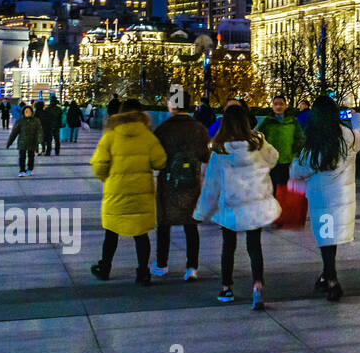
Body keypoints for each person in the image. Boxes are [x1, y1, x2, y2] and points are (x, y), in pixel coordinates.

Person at [193, 103, 280, 310]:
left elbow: (211, 186)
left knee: (228, 247)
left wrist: (200, 212)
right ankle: (257, 286)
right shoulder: (258, 143)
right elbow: (274, 158)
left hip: (230, 206)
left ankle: (226, 288)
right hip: (255, 204)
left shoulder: (220, 150)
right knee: (254, 246)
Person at [290, 96, 360, 302]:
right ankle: (326, 276)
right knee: (331, 240)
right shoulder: (349, 137)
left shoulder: (314, 142)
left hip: (322, 199)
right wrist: (354, 115)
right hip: (343, 196)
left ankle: (332, 280)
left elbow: (301, 169)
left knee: (326, 240)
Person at [89, 98, 166, 284]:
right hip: (141, 193)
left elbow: (98, 166)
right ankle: (143, 272)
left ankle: (105, 267)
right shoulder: (148, 137)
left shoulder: (110, 136)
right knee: (141, 235)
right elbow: (160, 161)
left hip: (116, 193)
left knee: (111, 232)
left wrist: (108, 179)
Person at [151, 88, 212, 281]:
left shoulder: (163, 128)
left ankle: (162, 264)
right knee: (190, 225)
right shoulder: (199, 129)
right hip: (190, 182)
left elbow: (156, 157)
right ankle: (191, 267)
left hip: (168, 181)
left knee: (164, 224)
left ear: (172, 105)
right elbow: (206, 155)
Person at [257, 95, 303, 190]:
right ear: (272, 106)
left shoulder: (292, 121)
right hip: (270, 160)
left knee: (283, 187)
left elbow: (300, 138)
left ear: (285, 106)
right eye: (276, 104)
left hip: (286, 160)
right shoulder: (267, 121)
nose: (278, 107)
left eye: (281, 104)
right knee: (270, 187)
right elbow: (258, 137)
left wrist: (293, 152)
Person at [8, 105, 42, 176]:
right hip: (22, 141)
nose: (28, 113)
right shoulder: (20, 121)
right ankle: (22, 170)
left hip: (32, 141)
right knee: (22, 156)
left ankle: (30, 169)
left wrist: (40, 140)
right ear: (23, 112)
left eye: (29, 111)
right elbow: (14, 132)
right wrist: (9, 142)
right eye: (26, 111)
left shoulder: (36, 120)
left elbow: (39, 131)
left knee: (31, 156)